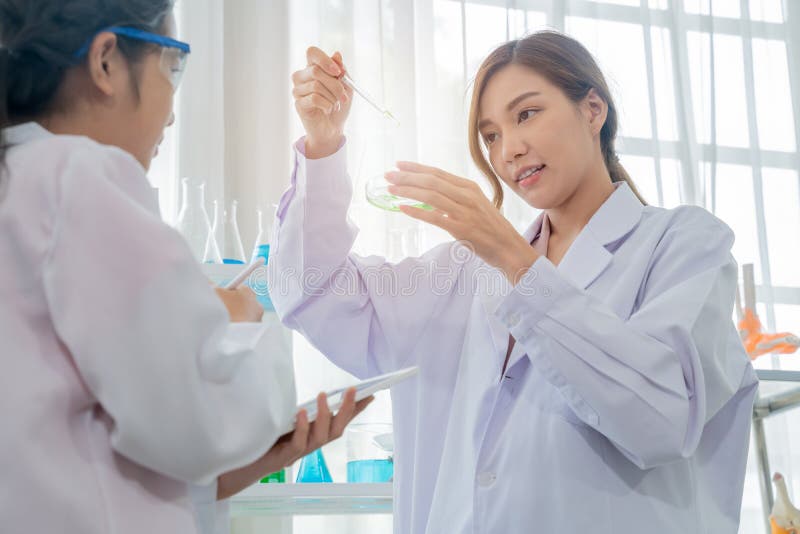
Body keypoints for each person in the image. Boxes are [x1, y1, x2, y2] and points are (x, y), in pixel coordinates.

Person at [270, 31, 758, 533]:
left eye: (526, 114)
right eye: (491, 135)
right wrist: (323, 144)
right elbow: (311, 291)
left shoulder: (682, 246)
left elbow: (660, 418)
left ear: (593, 110)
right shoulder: (461, 273)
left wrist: (513, 258)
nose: (509, 151)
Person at [0, 1, 371, 533]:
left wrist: (242, 464)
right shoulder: (76, 176)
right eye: (172, 67)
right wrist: (239, 320)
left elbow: (66, 455)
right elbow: (204, 423)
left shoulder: (19, 177)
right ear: (106, 61)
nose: (172, 112)